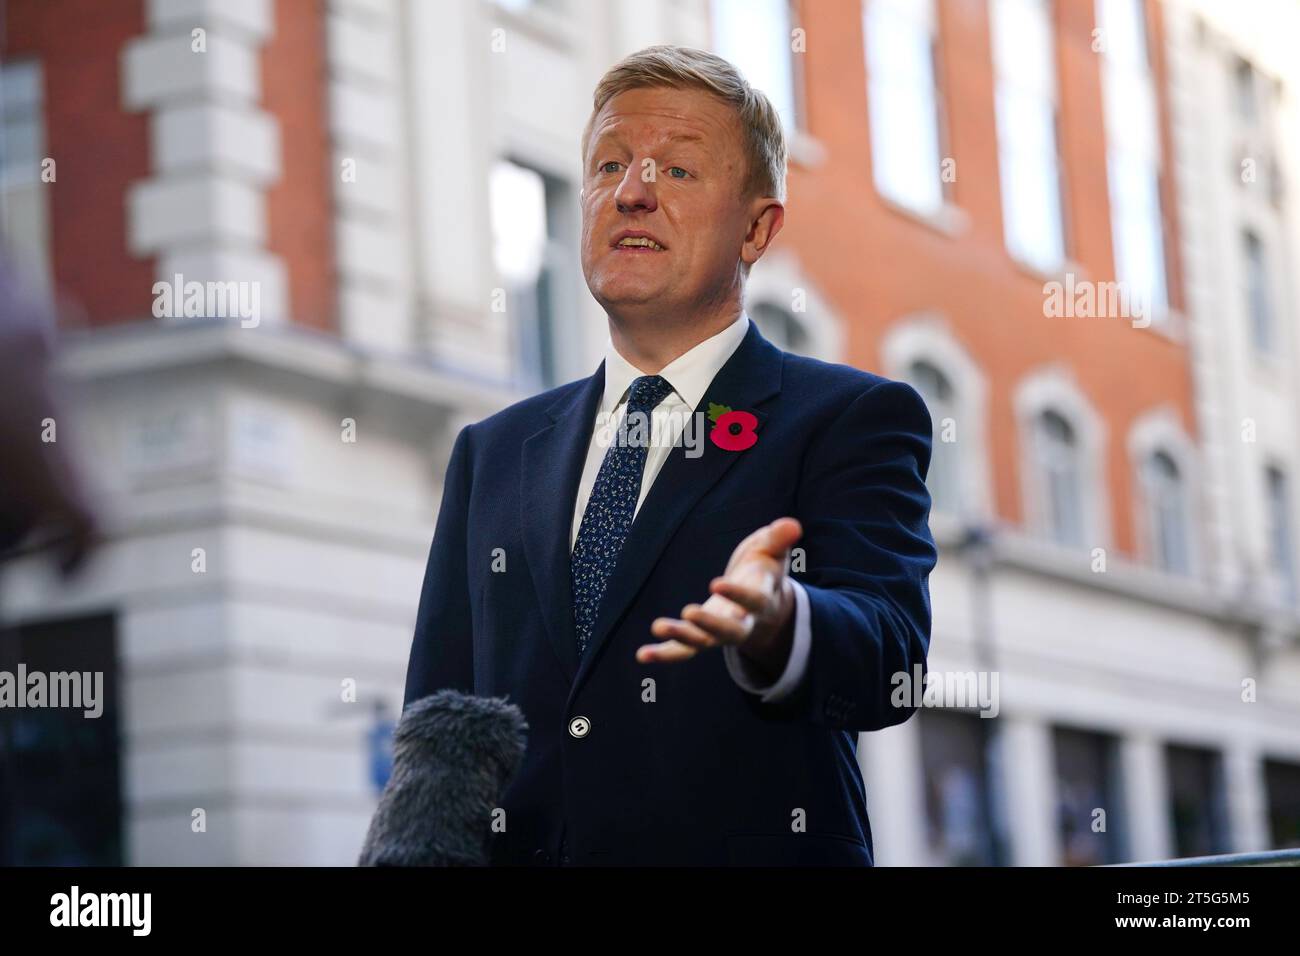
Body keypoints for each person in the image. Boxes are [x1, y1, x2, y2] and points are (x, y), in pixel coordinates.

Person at [403, 45, 937, 866]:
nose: (632, 191)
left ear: (757, 227)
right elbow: (441, 732)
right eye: (609, 165)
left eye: (678, 172)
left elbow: (890, 657)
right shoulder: (493, 452)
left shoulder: (852, 418)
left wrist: (784, 624)